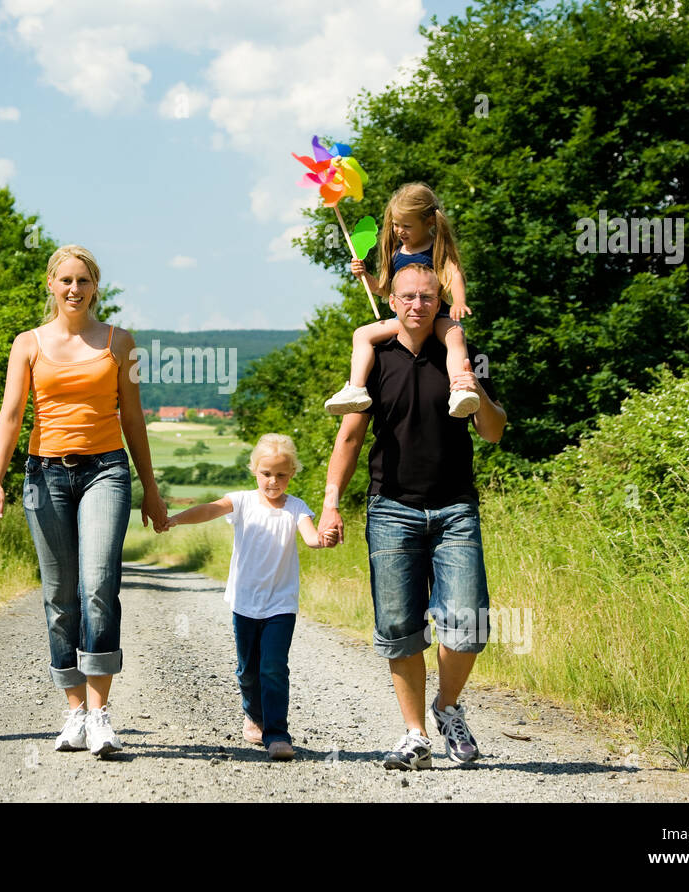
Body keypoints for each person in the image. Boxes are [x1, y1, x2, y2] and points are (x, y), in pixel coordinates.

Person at [318, 261, 507, 770]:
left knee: (466, 625)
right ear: (393, 300)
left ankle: (447, 708)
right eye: (408, 297)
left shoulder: (465, 353)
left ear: (438, 302)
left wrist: (476, 389)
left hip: (455, 509)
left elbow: (492, 431)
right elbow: (351, 438)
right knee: (400, 627)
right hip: (392, 509)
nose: (418, 305)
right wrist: (331, 502)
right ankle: (416, 734)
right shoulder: (376, 359)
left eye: (428, 297)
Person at [0, 245, 168, 758]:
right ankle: (74, 712)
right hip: (44, 474)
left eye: (83, 281)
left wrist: (149, 487)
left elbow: (133, 419)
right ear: (50, 284)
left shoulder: (119, 343)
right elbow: (12, 415)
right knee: (59, 594)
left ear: (95, 287)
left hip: (105, 471)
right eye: (65, 280)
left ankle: (101, 712)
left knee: (98, 584)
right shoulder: (27, 344)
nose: (74, 289)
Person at [164, 434, 335, 761]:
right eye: (267, 473)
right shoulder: (242, 501)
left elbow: (311, 537)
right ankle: (253, 715)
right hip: (245, 603)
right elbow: (209, 510)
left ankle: (277, 734)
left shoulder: (297, 507)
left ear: (292, 474)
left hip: (280, 605)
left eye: (281, 475)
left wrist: (324, 539)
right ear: (255, 471)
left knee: (273, 666)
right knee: (247, 670)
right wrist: (174, 519)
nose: (273, 481)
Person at [324, 183, 480, 419]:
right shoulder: (397, 252)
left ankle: (459, 389)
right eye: (396, 224)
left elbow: (454, 274)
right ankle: (356, 388)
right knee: (361, 334)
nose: (399, 230)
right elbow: (385, 290)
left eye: (406, 226)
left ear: (429, 223)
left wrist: (458, 301)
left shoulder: (437, 248)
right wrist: (364, 276)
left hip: (437, 316)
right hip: (404, 320)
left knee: (455, 334)